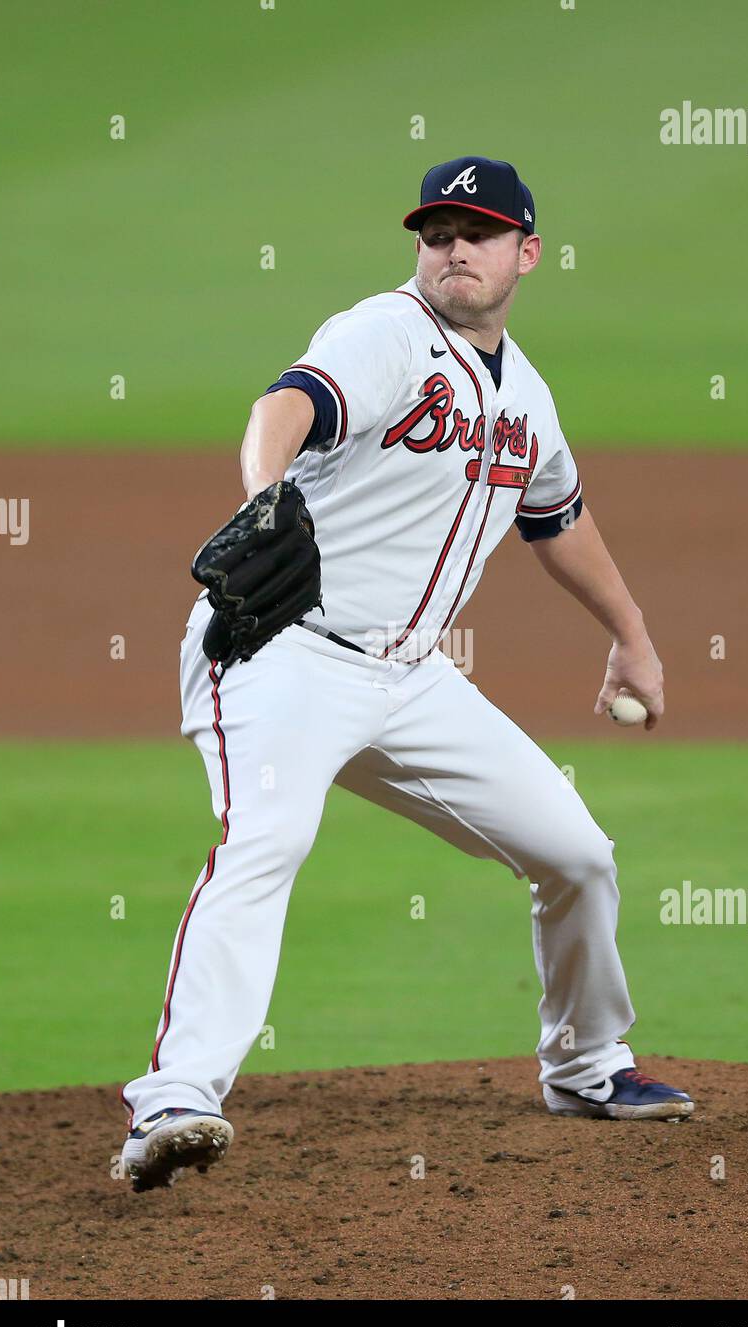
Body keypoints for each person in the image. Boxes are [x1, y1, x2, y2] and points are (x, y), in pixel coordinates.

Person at [119, 156, 693, 1193]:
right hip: (282, 653)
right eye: (436, 233)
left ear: (526, 253)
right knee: (267, 840)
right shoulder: (381, 334)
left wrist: (630, 632)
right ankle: (173, 1103)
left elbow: (554, 517)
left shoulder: (528, 395)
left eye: (476, 233)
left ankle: (584, 1065)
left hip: (409, 681)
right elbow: (286, 405)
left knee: (576, 855)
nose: (453, 250)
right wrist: (264, 497)